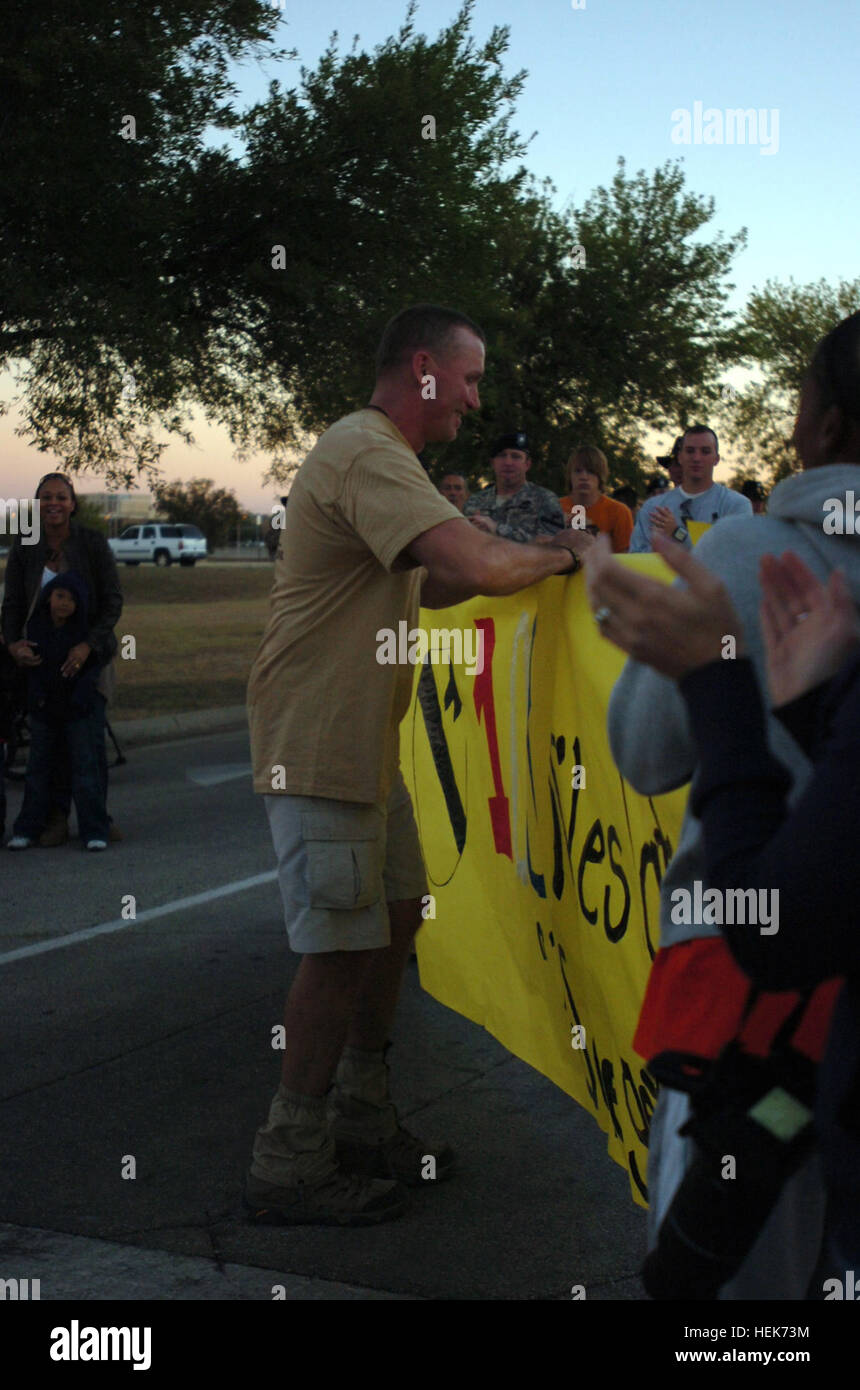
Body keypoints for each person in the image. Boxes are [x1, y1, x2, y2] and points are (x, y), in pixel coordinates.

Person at [245, 304, 590, 1226]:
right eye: (472, 380)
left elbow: (435, 580)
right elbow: (471, 559)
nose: (477, 403)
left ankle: (362, 1114)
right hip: (320, 744)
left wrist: (532, 564)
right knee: (338, 949)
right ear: (427, 369)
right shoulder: (365, 448)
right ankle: (289, 1159)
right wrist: (569, 552)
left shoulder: (381, 460)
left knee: (394, 920)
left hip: (361, 744)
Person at [602, 310, 860, 1297]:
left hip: (748, 1024)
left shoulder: (747, 553)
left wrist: (717, 669)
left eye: (797, 400)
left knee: (726, 1289)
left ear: (825, 427)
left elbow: (640, 751)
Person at [1, 473, 123, 845]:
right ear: (36, 504)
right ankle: (54, 819)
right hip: (41, 660)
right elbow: (13, 605)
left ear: (73, 503)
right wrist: (12, 645)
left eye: (61, 497)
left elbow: (112, 601)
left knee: (87, 742)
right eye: (45, 497)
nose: (53, 503)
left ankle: (96, 820)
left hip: (88, 657)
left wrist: (87, 646)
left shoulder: (91, 544)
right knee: (47, 746)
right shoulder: (26, 546)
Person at [7, 573, 110, 850]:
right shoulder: (36, 628)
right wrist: (36, 698)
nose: (64, 603)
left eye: (72, 599)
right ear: (49, 597)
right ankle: (27, 828)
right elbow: (33, 671)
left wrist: (80, 699)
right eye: (60, 596)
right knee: (38, 770)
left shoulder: (84, 637)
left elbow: (92, 672)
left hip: (78, 710)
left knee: (85, 770)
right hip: (44, 711)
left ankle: (95, 830)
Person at [629, 425, 752, 552]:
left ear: (716, 459)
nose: (696, 458)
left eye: (705, 451)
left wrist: (677, 533)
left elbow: (734, 558)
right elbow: (636, 557)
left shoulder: (735, 505)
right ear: (680, 457)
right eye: (690, 451)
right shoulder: (653, 508)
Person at [463, 432, 565, 541]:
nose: (508, 462)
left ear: (527, 464)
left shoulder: (545, 500)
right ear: (493, 463)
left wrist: (497, 529)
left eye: (516, 456)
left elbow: (551, 544)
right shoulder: (475, 501)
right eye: (502, 456)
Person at [559, 445, 633, 552]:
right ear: (570, 475)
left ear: (601, 476)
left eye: (591, 471)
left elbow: (625, 558)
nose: (584, 477)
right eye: (578, 471)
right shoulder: (554, 507)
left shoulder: (619, 512)